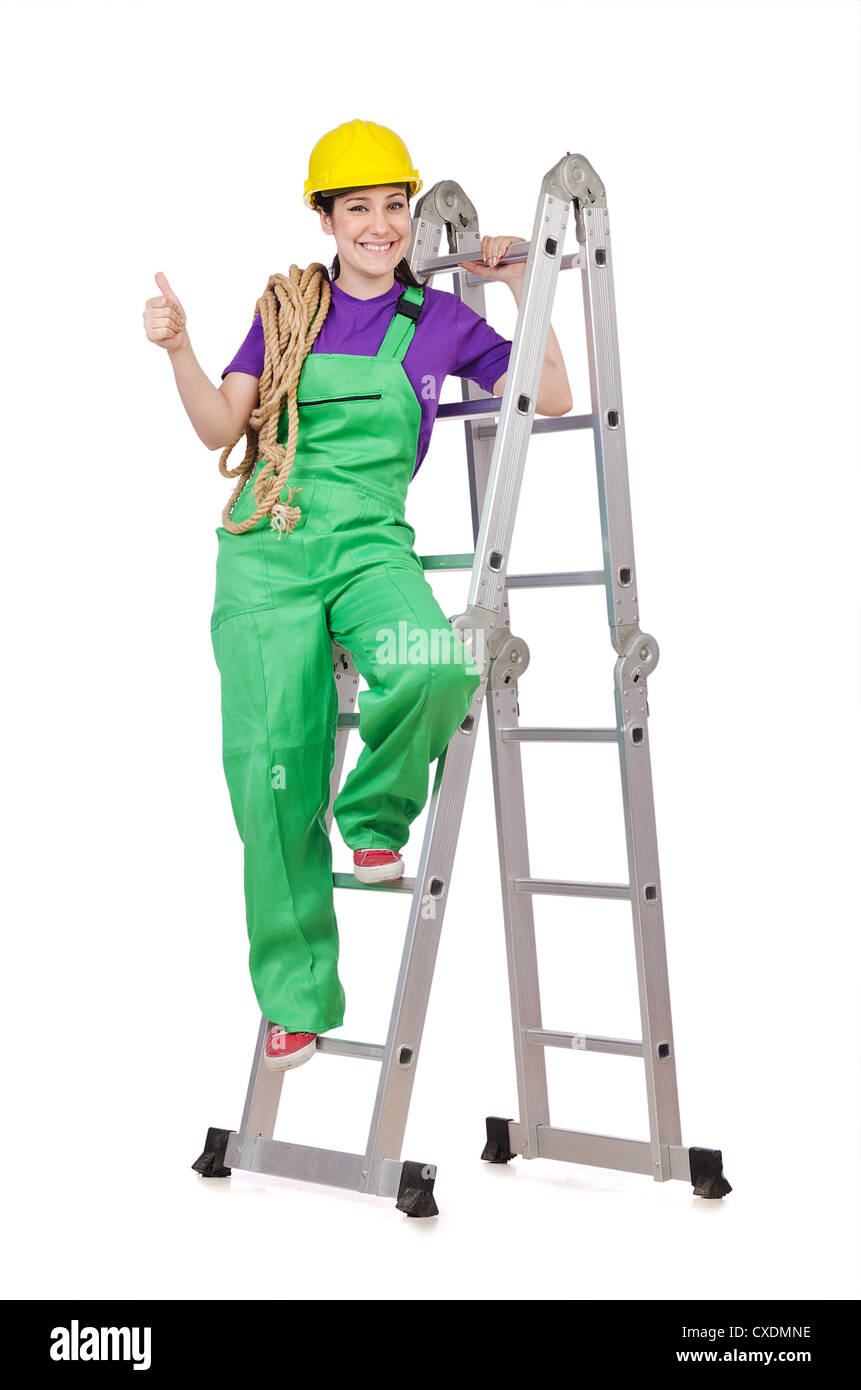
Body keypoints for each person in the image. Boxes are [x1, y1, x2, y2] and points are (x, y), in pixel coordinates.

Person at [143, 119, 573, 1074]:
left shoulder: (440, 322)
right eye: (357, 208)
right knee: (272, 775)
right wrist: (176, 350)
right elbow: (222, 421)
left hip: (371, 546)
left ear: (407, 216)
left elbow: (547, 393)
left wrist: (514, 286)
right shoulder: (285, 311)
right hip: (264, 553)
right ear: (327, 219)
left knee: (440, 662)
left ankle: (374, 814)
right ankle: (295, 997)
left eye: (392, 206)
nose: (379, 225)